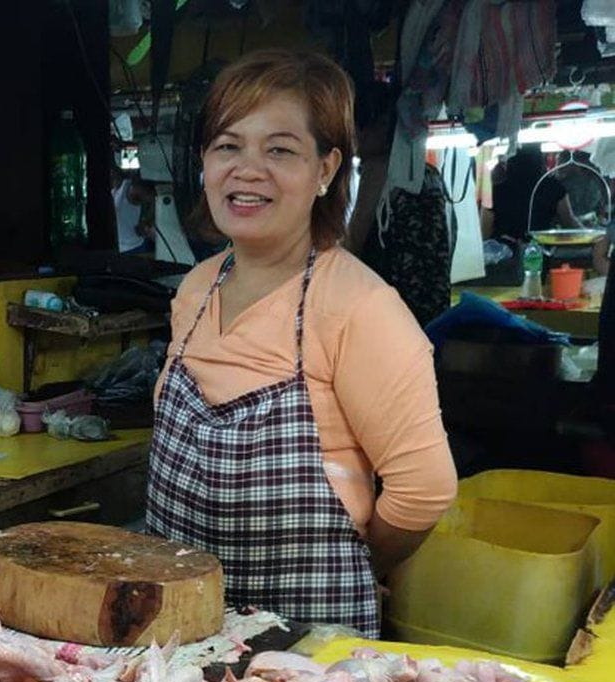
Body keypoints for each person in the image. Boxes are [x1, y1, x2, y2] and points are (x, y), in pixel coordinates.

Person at [145, 49, 458, 637]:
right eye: (227, 146)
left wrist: (354, 567)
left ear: (326, 169)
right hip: (179, 638)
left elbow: (424, 490)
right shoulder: (194, 288)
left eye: (281, 150)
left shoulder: (359, 308)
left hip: (304, 657)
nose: (247, 169)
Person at [346, 81, 453, 327]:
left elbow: (354, 240)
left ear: (382, 125)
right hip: (429, 311)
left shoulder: (381, 169)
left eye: (357, 127)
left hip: (393, 311)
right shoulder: (427, 173)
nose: (353, 137)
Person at [114, 172, 154, 255]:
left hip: (138, 245)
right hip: (122, 248)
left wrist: (146, 225)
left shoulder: (148, 201)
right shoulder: (120, 189)